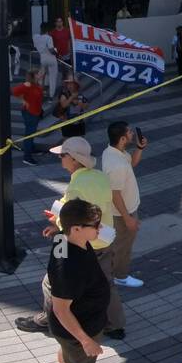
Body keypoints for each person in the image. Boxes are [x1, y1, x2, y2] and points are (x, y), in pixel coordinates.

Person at [44, 197, 115, 363]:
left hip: (77, 324)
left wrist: (56, 227)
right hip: (78, 327)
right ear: (76, 228)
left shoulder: (63, 240)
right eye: (95, 225)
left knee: (68, 356)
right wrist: (85, 340)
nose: (99, 229)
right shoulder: (68, 268)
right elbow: (61, 309)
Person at [49, 136, 123, 338]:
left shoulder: (76, 185)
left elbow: (70, 221)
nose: (60, 159)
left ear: (73, 159)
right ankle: (116, 324)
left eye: (63, 155)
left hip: (82, 245)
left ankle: (52, 319)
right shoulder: (99, 176)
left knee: (53, 281)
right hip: (105, 239)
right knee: (106, 282)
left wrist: (56, 224)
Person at [100, 119, 147, 290]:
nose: (132, 134)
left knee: (120, 244)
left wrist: (139, 149)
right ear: (121, 139)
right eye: (129, 133)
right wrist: (128, 218)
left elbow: (132, 163)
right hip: (123, 213)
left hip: (126, 210)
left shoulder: (112, 151)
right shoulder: (117, 165)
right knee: (123, 246)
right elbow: (115, 194)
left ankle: (113, 272)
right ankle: (120, 276)